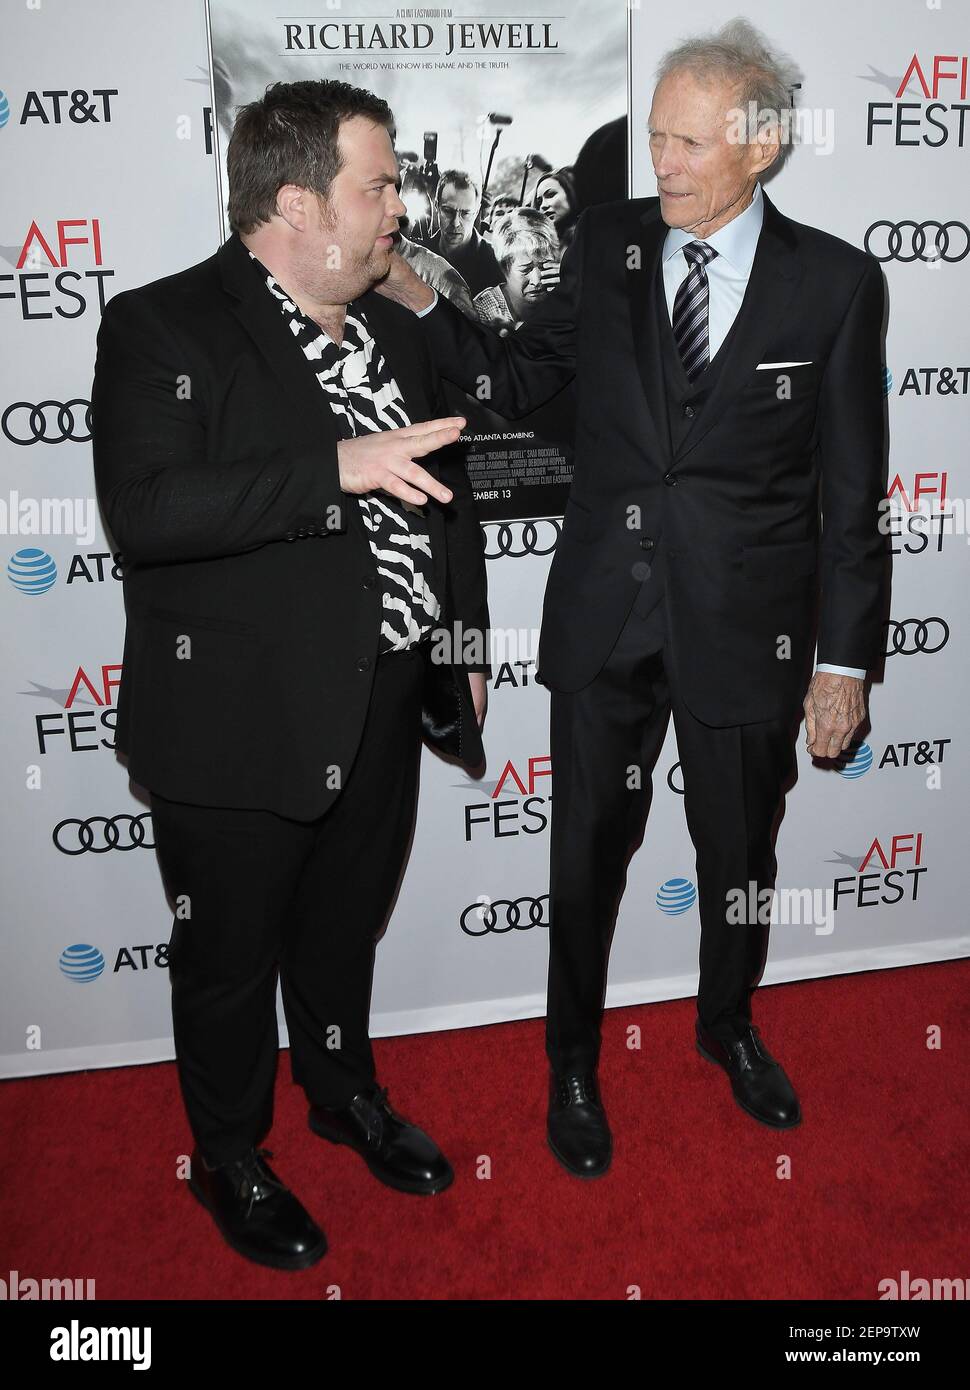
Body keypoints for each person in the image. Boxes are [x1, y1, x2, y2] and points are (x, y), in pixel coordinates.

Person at [375, 18, 889, 1177]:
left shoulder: (837, 283)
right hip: (605, 618)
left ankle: (726, 1026)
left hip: (746, 631)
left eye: (688, 143)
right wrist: (406, 282)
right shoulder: (604, 244)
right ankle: (570, 1063)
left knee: (739, 860)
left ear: (759, 147)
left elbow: (852, 494)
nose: (660, 163)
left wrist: (844, 661)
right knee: (584, 858)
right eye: (655, 136)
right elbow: (513, 376)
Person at [91, 78, 489, 1267]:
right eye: (378, 187)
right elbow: (149, 511)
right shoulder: (164, 326)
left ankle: (340, 1092)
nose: (398, 212)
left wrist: (458, 645)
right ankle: (228, 1160)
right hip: (234, 719)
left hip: (381, 697)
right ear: (295, 201)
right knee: (225, 963)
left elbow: (448, 509)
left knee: (340, 930)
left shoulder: (399, 329)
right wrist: (337, 464)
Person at [473, 207, 561, 329]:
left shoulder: (564, 294)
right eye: (525, 270)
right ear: (505, 269)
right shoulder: (484, 309)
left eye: (543, 266)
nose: (536, 281)